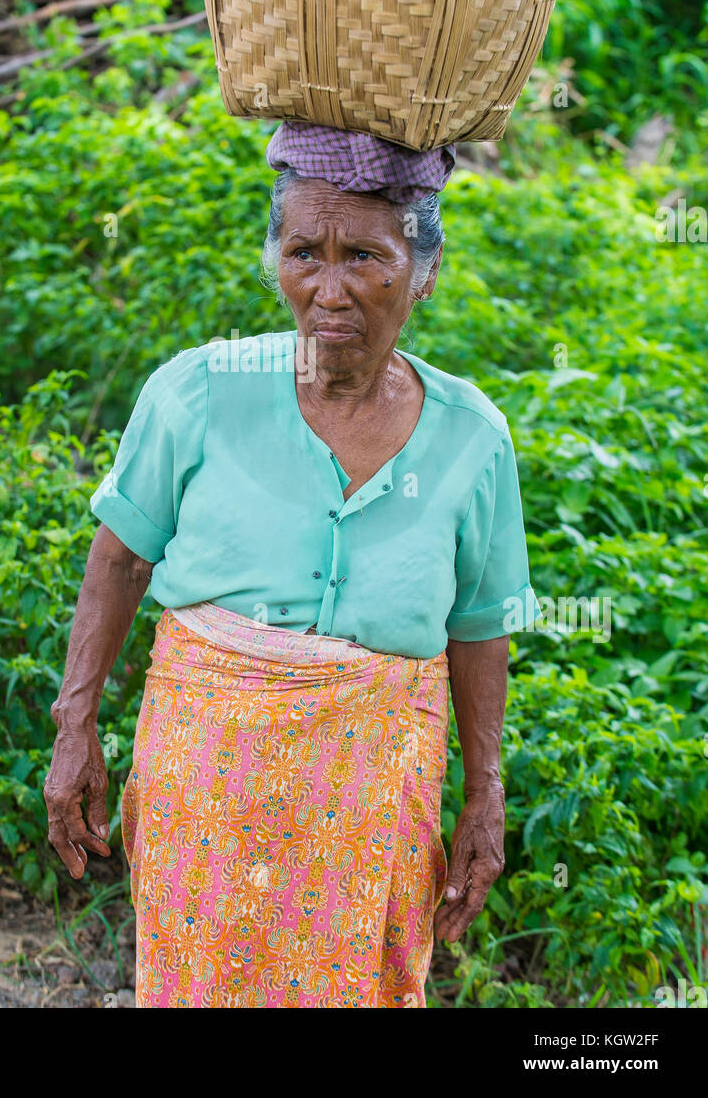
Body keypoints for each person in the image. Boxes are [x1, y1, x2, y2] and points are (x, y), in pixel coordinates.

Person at [44, 120, 539, 1008]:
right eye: (305, 251)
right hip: (208, 786)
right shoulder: (197, 391)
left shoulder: (474, 436)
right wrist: (74, 724)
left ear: (424, 272)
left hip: (376, 791)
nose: (331, 287)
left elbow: (478, 626)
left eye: (365, 255)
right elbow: (118, 561)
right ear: (274, 260)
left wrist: (484, 793)